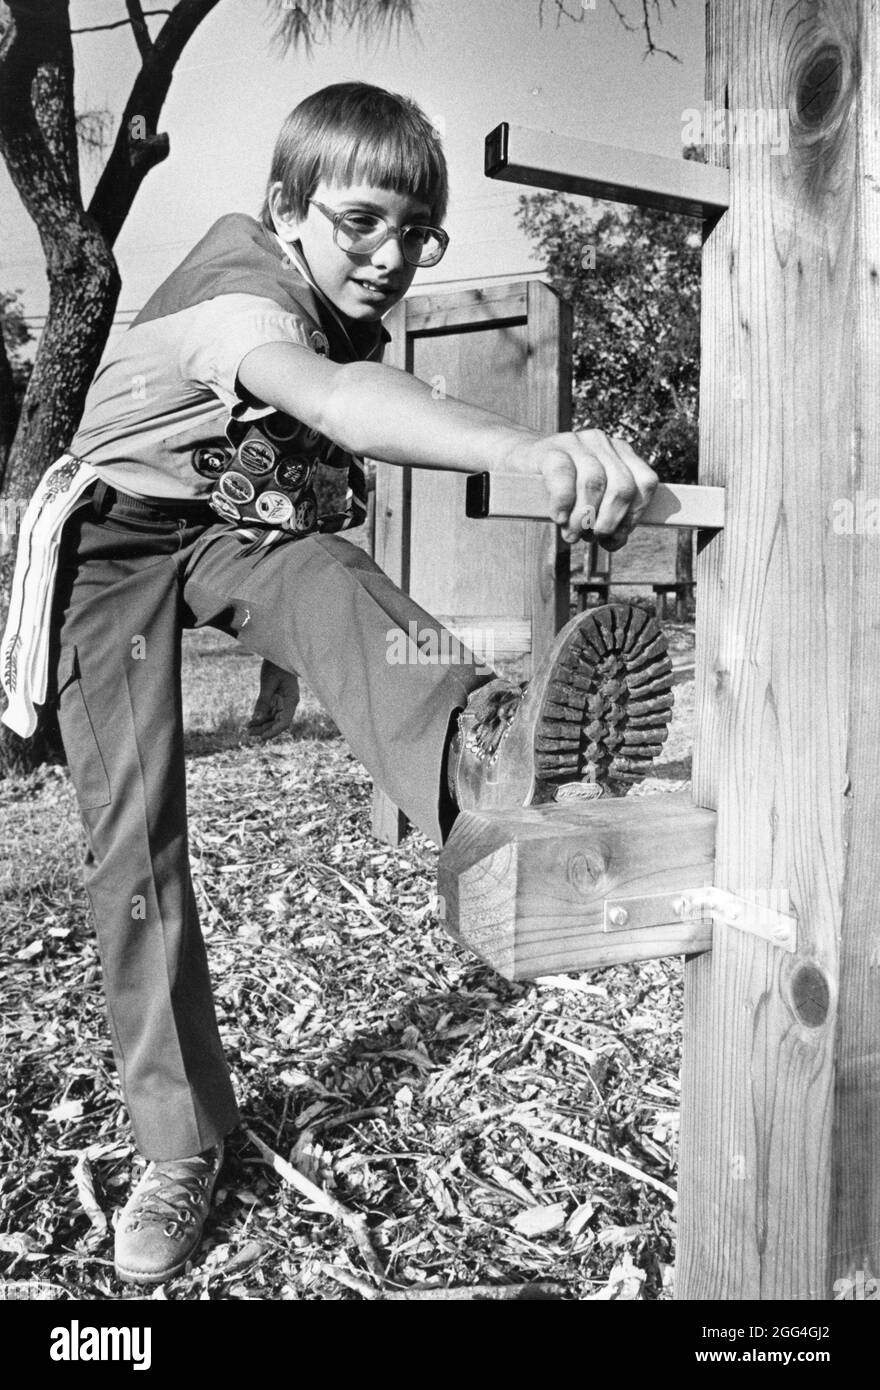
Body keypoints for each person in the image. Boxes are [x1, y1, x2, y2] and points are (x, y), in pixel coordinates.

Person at [0, 82, 664, 1285]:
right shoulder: (236, 290)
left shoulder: (339, 301)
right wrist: (528, 449)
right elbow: (341, 404)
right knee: (134, 847)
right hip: (113, 553)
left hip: (221, 526)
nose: (389, 256)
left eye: (417, 235)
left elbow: (322, 445)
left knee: (333, 578)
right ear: (283, 207)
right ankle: (179, 1141)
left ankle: (480, 740)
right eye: (361, 222)